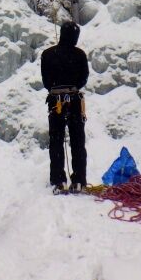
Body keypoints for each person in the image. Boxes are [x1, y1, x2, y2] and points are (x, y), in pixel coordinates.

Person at [41, 21, 89, 194]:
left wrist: (56, 86)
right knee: (77, 140)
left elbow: (46, 81)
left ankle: (58, 180)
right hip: (74, 99)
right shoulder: (80, 55)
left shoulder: (48, 54)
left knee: (56, 141)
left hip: (56, 101)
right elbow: (84, 78)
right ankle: (79, 180)